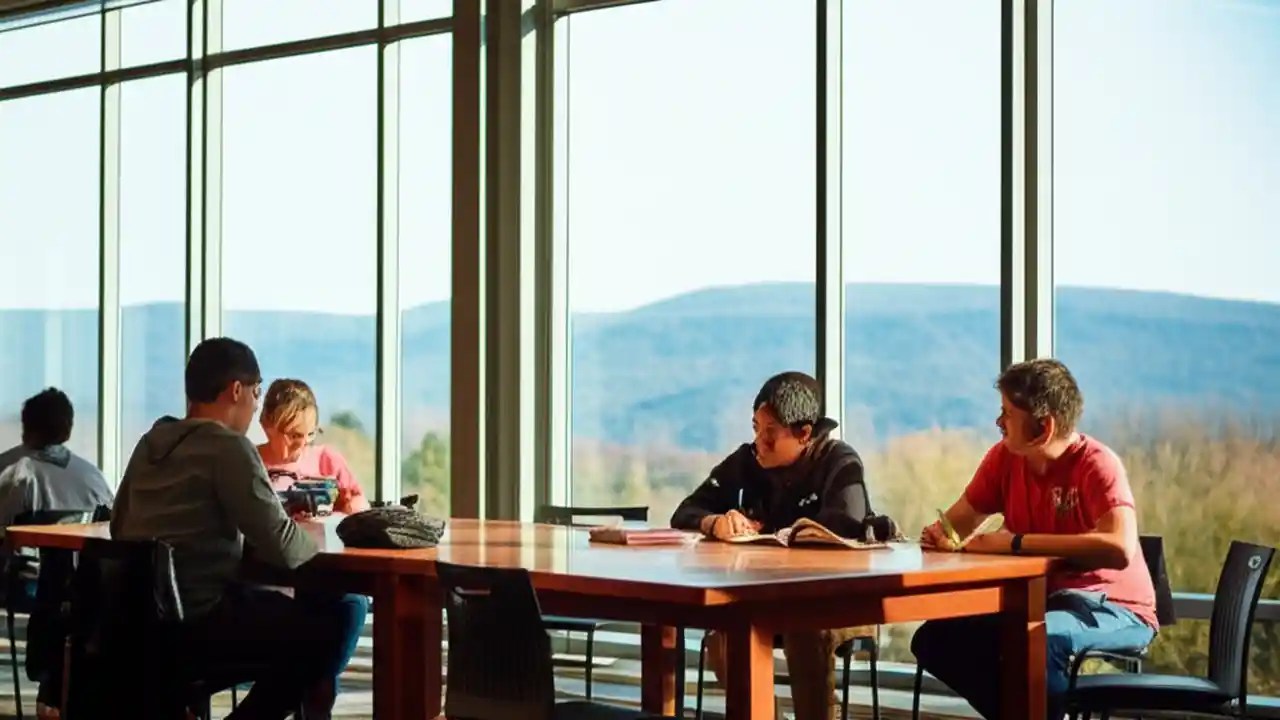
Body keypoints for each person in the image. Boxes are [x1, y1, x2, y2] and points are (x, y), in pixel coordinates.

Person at [111, 337, 367, 720]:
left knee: (302, 623)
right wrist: (315, 534)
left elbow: (118, 526)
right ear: (236, 390)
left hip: (137, 625)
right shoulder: (228, 447)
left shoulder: (151, 443)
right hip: (200, 624)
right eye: (256, 393)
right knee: (344, 611)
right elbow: (286, 549)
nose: (254, 405)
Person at [912, 358, 1158, 720]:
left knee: (1039, 639)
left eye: (1007, 414)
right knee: (936, 640)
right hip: (1039, 603)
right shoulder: (1004, 459)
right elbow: (956, 525)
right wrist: (941, 535)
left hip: (1113, 607)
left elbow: (1119, 548)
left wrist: (1015, 543)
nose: (998, 423)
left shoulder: (1097, 464)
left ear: (1043, 427)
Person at [670, 371, 882, 720]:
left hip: (842, 600)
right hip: (766, 597)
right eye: (755, 428)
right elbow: (685, 511)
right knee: (723, 636)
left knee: (805, 628)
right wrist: (715, 522)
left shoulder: (839, 460)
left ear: (804, 433)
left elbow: (848, 523)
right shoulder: (747, 461)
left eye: (770, 433)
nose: (759, 442)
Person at [0, 388, 112, 719]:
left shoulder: (11, 471)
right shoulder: (93, 477)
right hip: (87, 590)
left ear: (26, 426)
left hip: (24, 586)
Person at [0, 388, 112, 535]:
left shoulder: (8, 473)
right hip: (84, 557)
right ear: (68, 428)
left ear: (26, 425)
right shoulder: (94, 480)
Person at [256, 378, 369, 516]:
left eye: (310, 434)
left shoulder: (327, 461)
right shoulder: (250, 462)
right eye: (294, 436)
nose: (303, 444)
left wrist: (345, 513)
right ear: (267, 425)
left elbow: (359, 501)